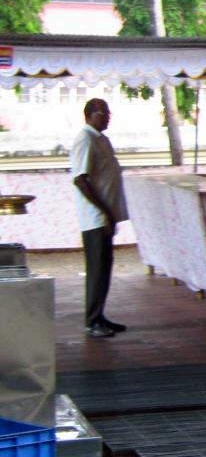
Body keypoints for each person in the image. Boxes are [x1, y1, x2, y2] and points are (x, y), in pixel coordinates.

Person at [69, 98, 129, 339]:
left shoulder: (100, 138)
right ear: (89, 115)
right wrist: (103, 211)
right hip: (95, 217)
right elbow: (80, 180)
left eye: (108, 113)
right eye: (102, 114)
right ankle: (92, 321)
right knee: (96, 268)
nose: (107, 118)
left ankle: (99, 315)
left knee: (105, 266)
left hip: (106, 215)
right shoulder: (85, 139)